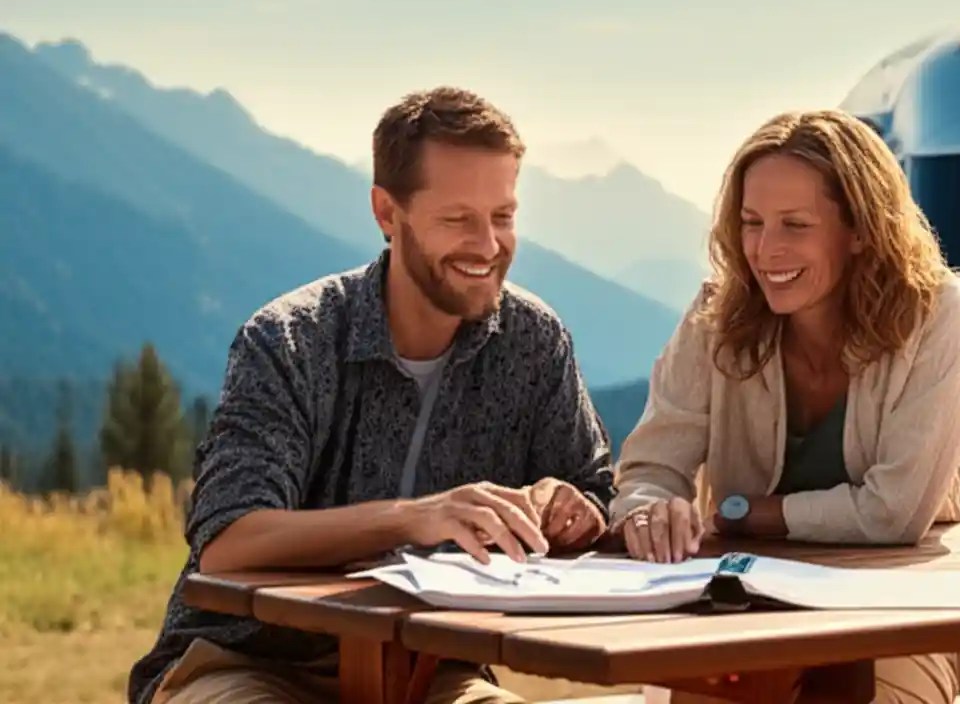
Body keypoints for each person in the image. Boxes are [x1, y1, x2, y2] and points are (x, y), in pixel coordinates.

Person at [128, 86, 615, 704]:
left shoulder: (533, 341)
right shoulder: (289, 340)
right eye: (458, 219)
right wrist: (416, 516)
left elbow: (594, 491)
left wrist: (573, 509)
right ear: (387, 213)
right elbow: (228, 543)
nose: (489, 245)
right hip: (241, 662)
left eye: (503, 217)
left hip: (431, 673)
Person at [608, 109, 960, 703]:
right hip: (737, 600)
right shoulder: (716, 316)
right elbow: (650, 468)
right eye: (752, 223)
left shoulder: (935, 313)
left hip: (899, 601)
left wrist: (749, 514)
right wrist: (649, 511)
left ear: (860, 230)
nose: (765, 250)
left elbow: (895, 513)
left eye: (795, 225)